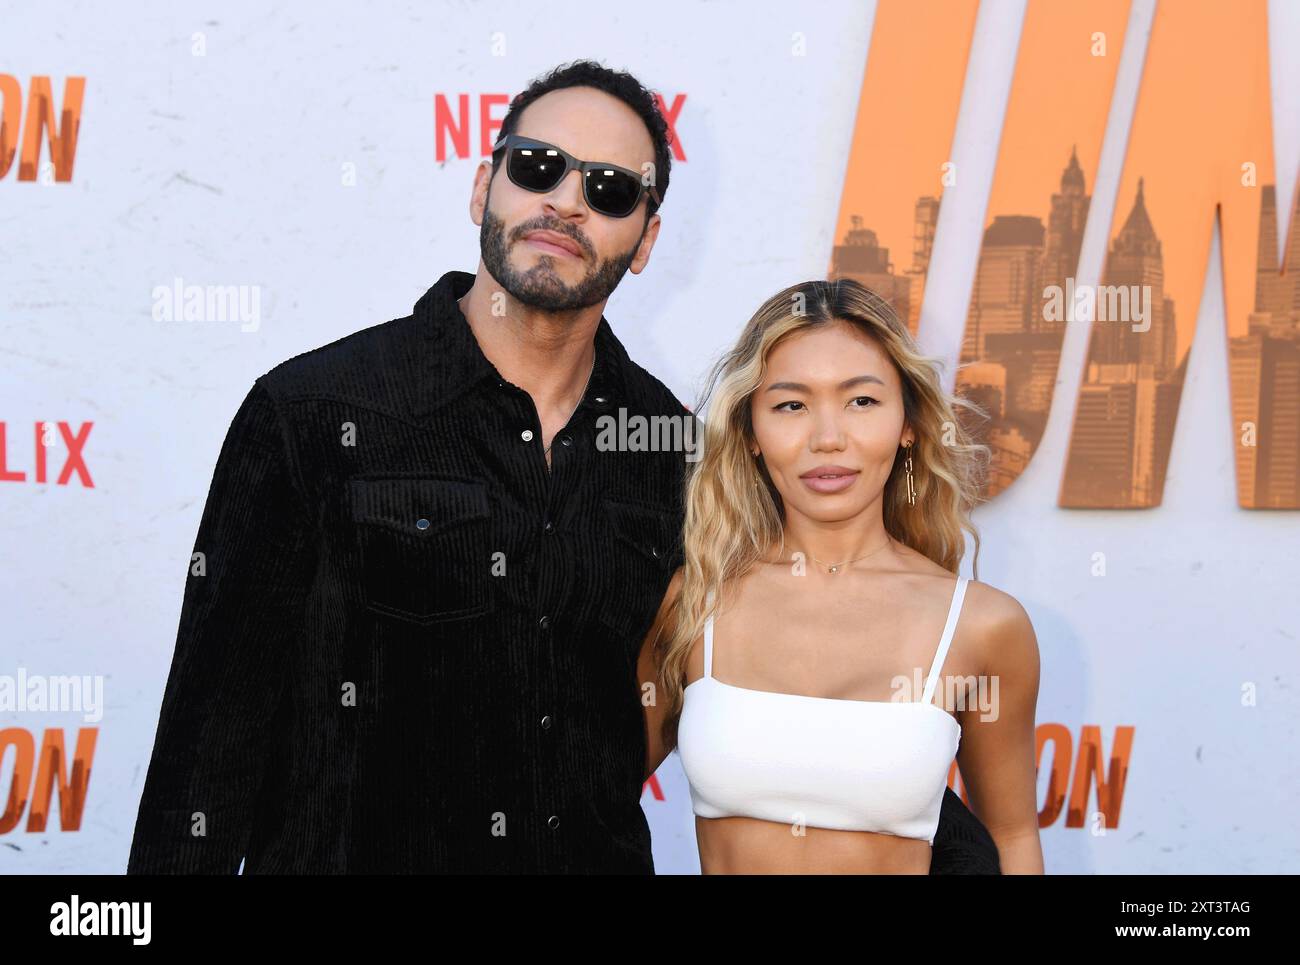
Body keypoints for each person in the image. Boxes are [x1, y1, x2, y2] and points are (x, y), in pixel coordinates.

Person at [127, 58, 999, 874]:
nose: (566, 203)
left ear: (647, 239)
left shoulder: (678, 454)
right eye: (538, 167)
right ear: (484, 184)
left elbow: (800, 691)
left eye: (609, 189)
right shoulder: (315, 412)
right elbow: (210, 748)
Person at [639, 279, 1044, 874]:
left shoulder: (982, 625)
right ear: (750, 433)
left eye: (861, 401)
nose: (828, 439)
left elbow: (1012, 837)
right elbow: (592, 796)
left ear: (908, 422)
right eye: (791, 405)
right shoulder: (696, 599)